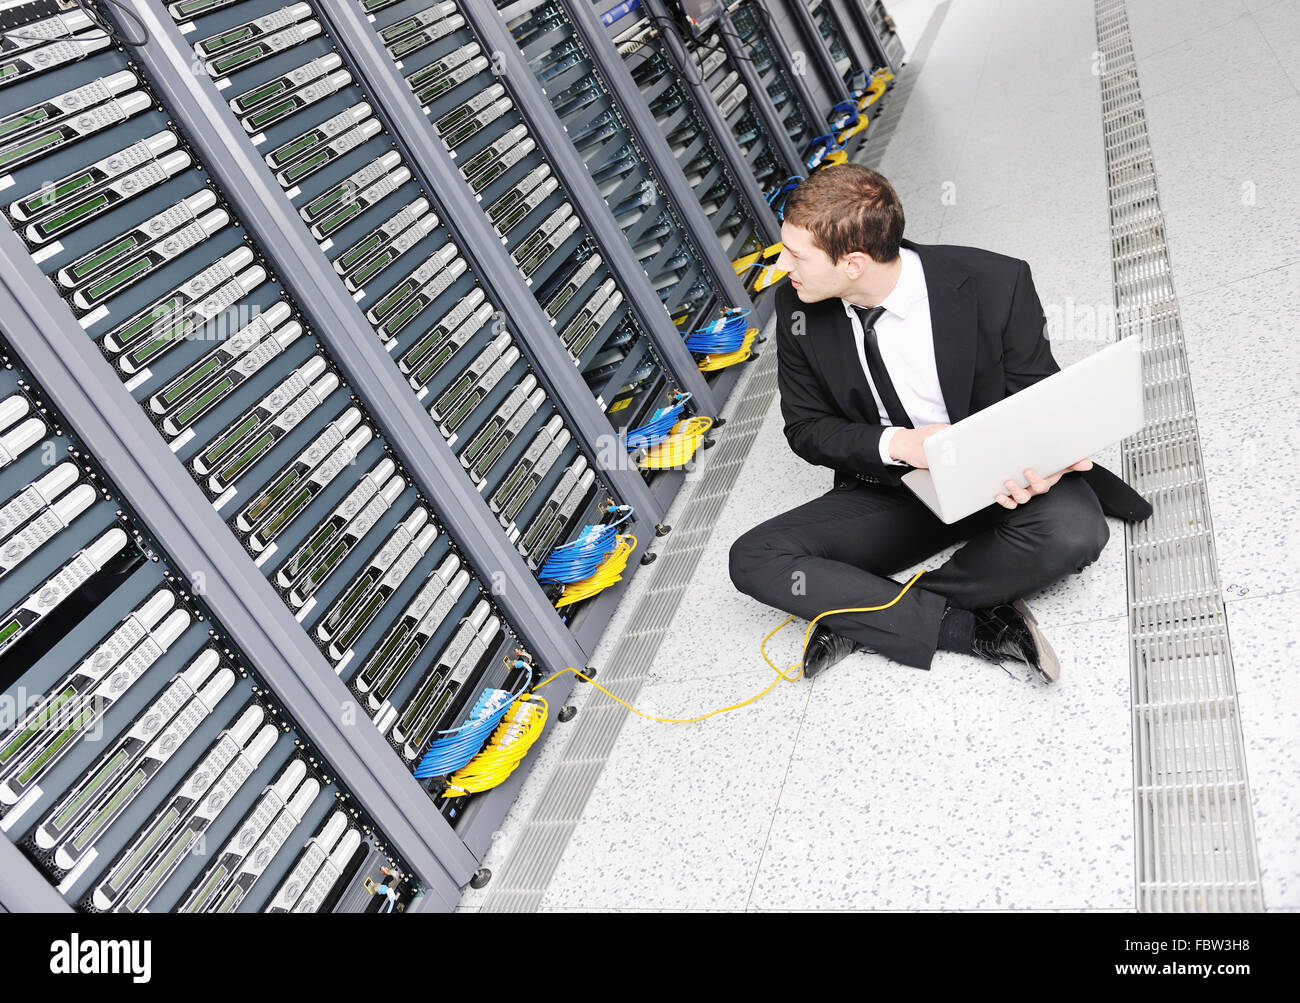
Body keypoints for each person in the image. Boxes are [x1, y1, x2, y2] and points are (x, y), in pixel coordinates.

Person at [727, 164, 1152, 683]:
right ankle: (968, 627)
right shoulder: (798, 306)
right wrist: (900, 445)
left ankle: (876, 616)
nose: (780, 266)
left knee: (1072, 533)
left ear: (854, 263)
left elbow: (1038, 394)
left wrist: (1045, 461)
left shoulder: (996, 281)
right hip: (896, 486)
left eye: (796, 255)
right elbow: (806, 428)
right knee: (754, 557)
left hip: (998, 476)